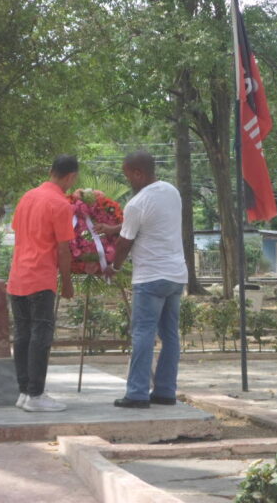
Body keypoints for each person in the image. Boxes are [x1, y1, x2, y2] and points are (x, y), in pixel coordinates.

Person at [99, 151, 188, 408]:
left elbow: (126, 243)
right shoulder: (171, 191)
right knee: (170, 335)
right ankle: (165, 391)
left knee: (143, 333)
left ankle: (137, 393)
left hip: (150, 277)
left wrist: (114, 268)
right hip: (175, 275)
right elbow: (149, 223)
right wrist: (114, 228)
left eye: (129, 176)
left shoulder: (136, 203)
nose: (129, 181)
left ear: (138, 173)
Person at [7, 154, 78, 413]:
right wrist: (67, 282)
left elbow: (19, 231)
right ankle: (36, 394)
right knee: (41, 335)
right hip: (40, 277)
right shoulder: (60, 204)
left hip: (17, 276)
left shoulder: (27, 197)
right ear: (71, 177)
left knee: (23, 334)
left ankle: (24, 392)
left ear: (51, 171)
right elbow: (62, 250)